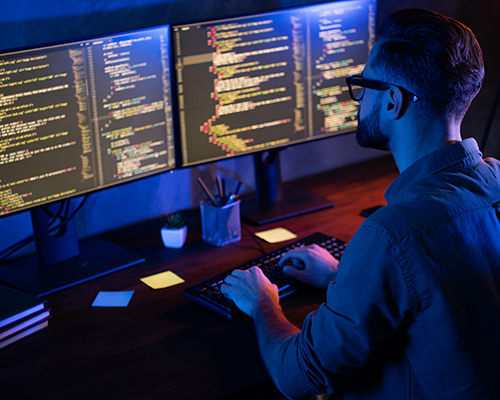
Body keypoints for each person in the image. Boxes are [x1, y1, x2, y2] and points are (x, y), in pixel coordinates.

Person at [220, 8, 500, 400]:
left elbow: (300, 375)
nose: (358, 99)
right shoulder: (496, 183)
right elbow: (447, 294)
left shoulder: (393, 233)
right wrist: (341, 275)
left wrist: (264, 304)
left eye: (363, 84)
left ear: (392, 102)